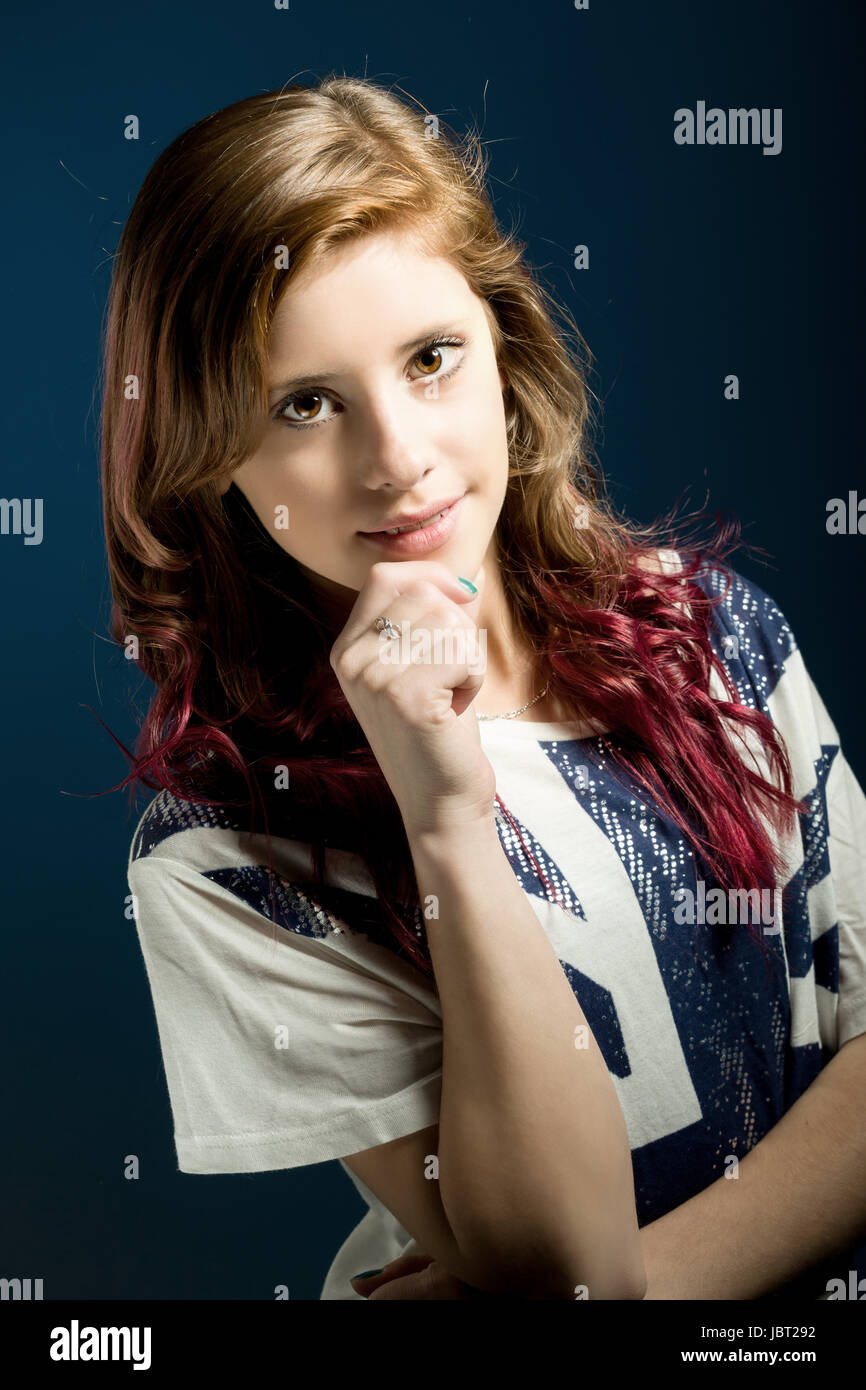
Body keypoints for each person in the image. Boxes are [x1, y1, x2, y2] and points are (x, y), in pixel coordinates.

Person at [101, 76, 866, 1301]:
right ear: (213, 459)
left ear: (502, 350)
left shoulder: (710, 634)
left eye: (430, 359)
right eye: (305, 404)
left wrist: (646, 1292)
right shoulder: (224, 856)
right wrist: (448, 820)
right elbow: (552, 1262)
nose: (396, 459)